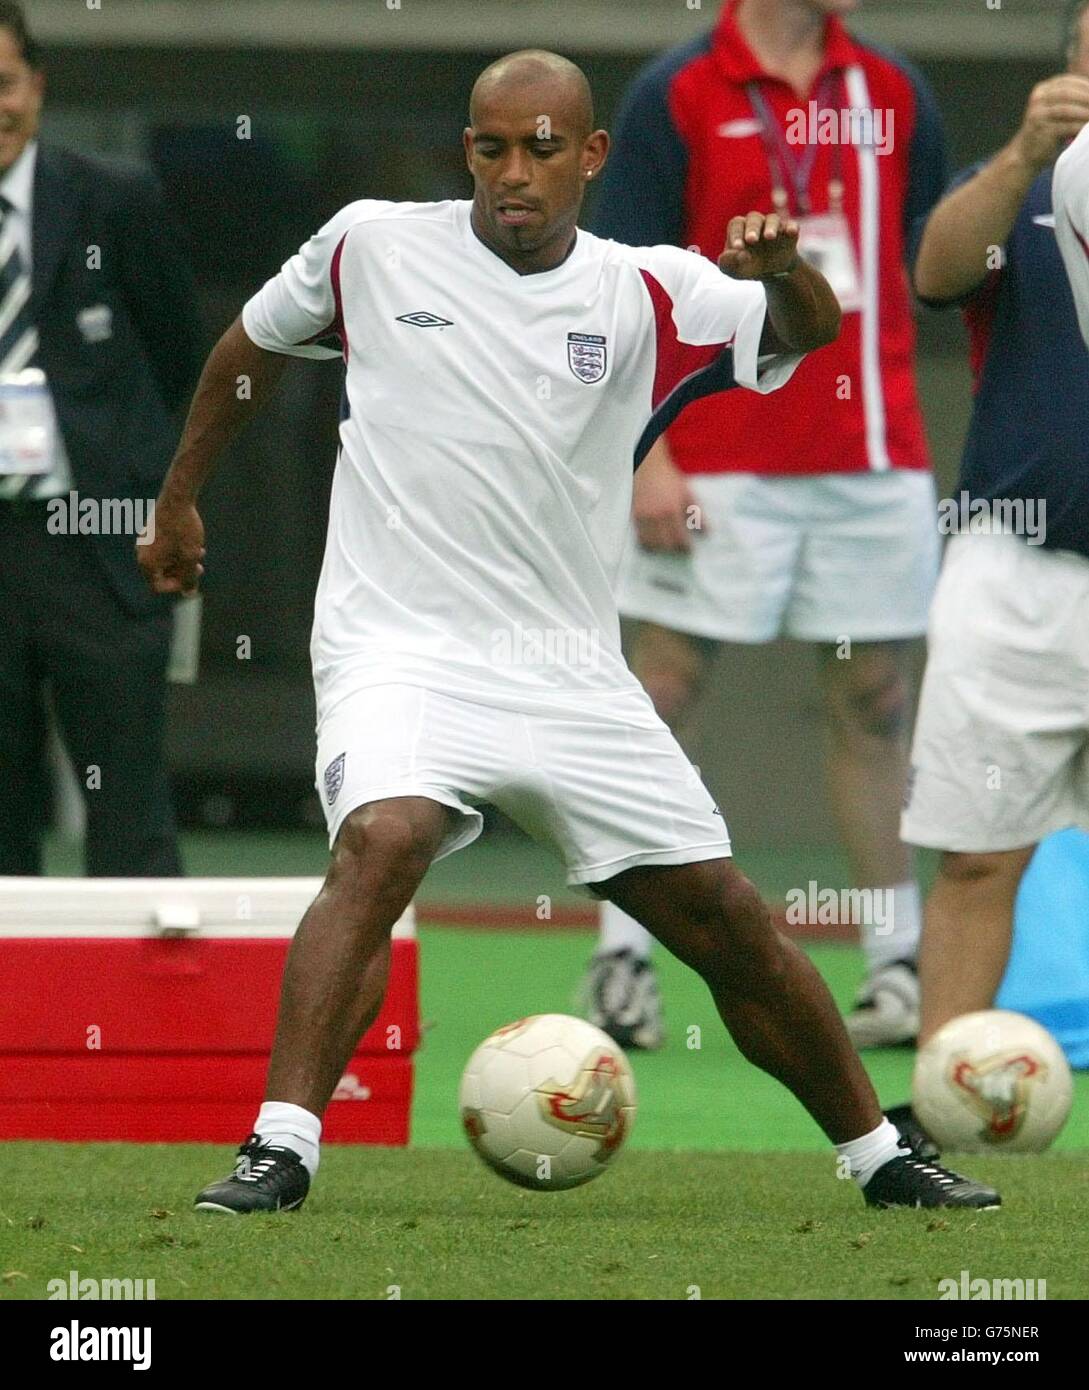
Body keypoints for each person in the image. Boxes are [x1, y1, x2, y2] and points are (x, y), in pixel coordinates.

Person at [140, 50, 995, 1214]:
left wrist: (784, 271)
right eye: (492, 148)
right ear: (469, 153)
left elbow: (807, 333)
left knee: (727, 919)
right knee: (382, 839)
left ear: (591, 156)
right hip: (402, 647)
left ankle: (879, 1156)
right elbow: (245, 352)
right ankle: (280, 1149)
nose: (514, 173)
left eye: (543, 147)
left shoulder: (649, 285)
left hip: (571, 673)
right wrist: (180, 495)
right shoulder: (370, 245)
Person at [582, 0, 948, 1052]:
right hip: (715, 447)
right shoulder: (677, 90)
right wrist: (648, 451)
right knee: (658, 690)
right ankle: (623, 957)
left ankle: (896, 966)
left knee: (876, 700)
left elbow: (923, 262)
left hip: (871, 454)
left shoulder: (894, 91)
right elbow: (620, 286)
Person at [898, 0, 1089, 1136]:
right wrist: (1026, 153)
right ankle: (930, 1115)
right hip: (1014, 568)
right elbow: (934, 273)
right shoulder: (1015, 186)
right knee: (977, 856)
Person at [0, 1, 202, 876]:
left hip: (97, 547)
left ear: (36, 86)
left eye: (2, 84)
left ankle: (140, 1016)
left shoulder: (114, 200)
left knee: (127, 808)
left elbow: (179, 360)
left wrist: (162, 500)